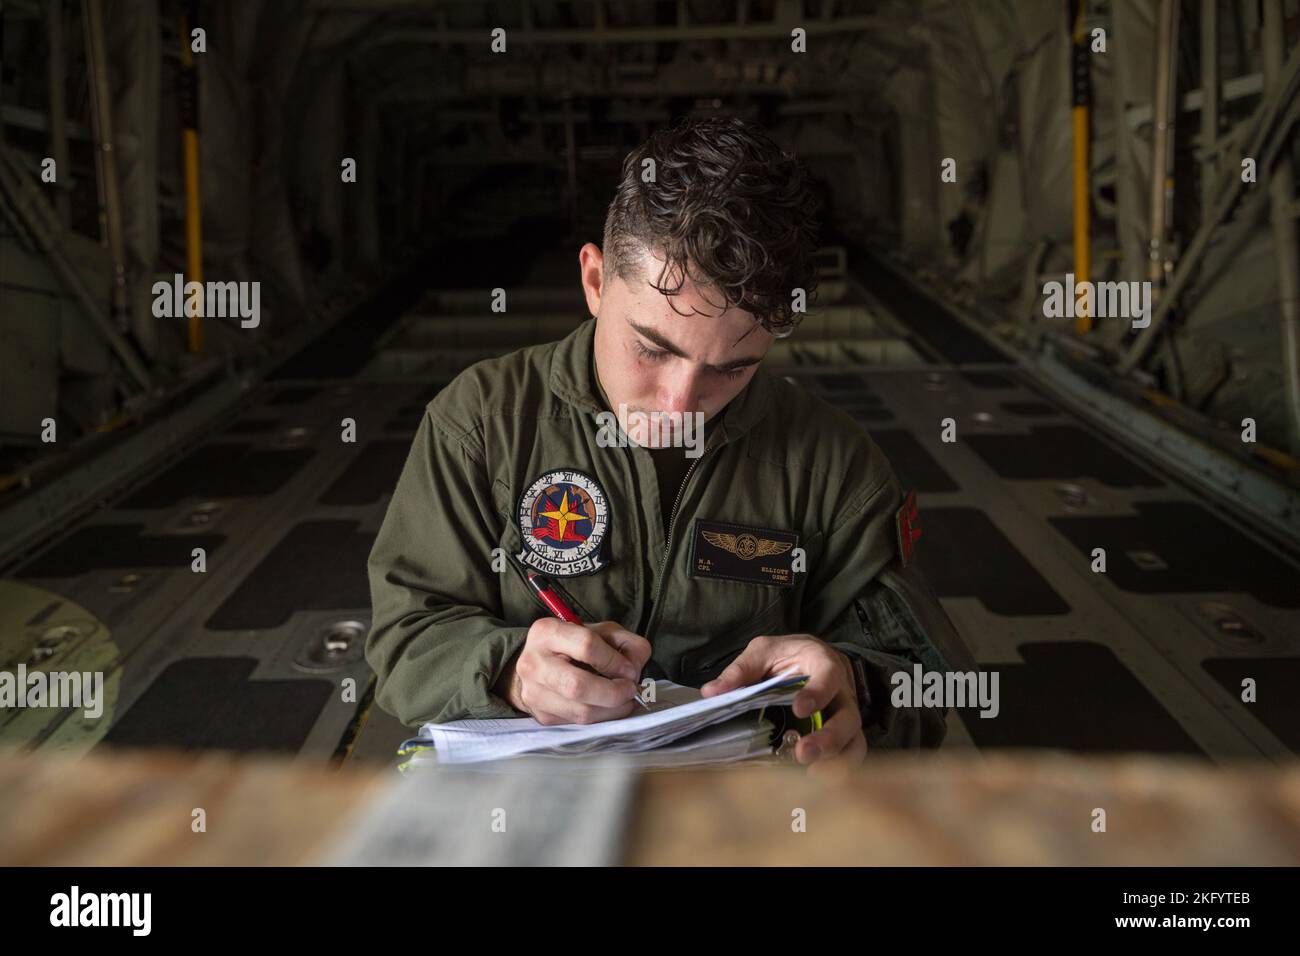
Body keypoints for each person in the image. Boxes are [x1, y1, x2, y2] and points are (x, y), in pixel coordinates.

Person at [365, 116, 972, 764]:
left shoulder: (835, 470)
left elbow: (926, 683)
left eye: (732, 368)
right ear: (595, 281)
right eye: (652, 348)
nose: (680, 402)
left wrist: (857, 688)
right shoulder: (481, 425)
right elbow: (405, 640)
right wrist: (511, 670)